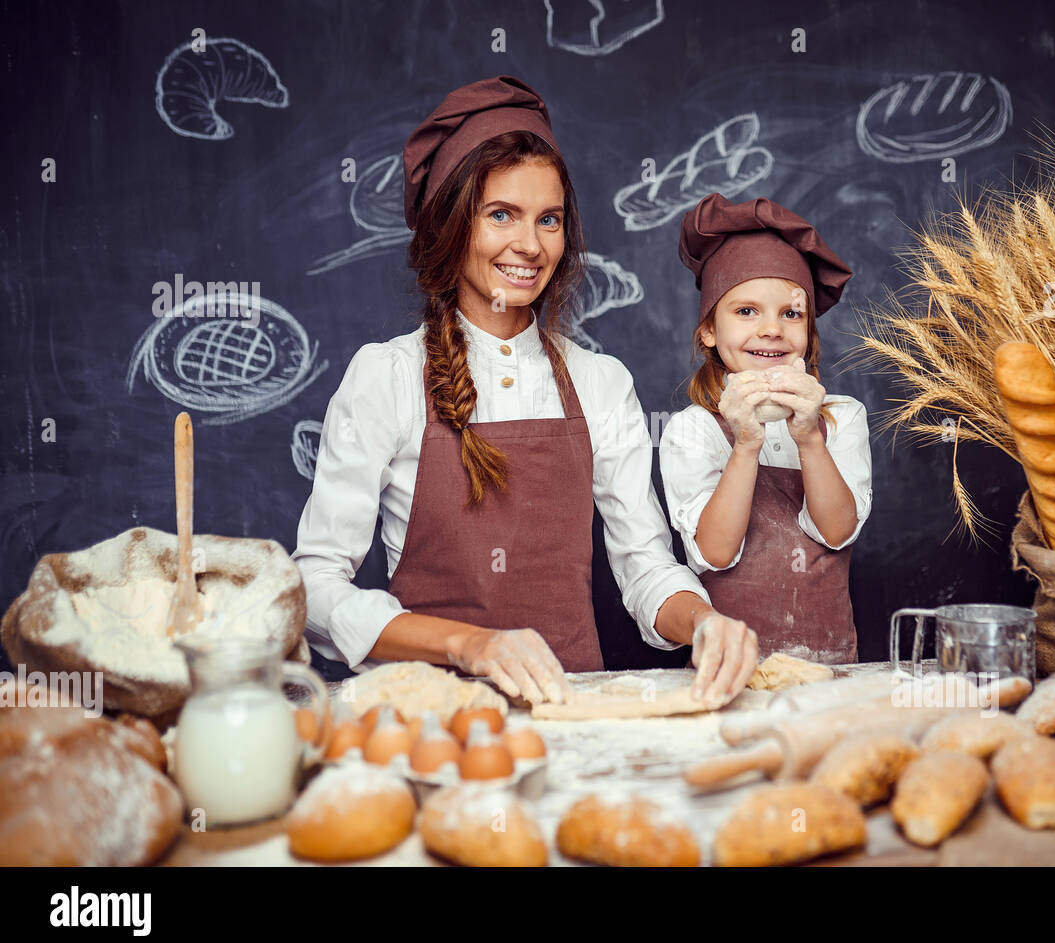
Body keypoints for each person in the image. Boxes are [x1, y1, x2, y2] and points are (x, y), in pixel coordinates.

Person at [291, 77, 758, 706]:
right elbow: (315, 586)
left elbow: (644, 565)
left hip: (570, 717)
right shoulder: (389, 377)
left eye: (549, 220)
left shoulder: (600, 382)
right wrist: (469, 645)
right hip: (430, 721)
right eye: (501, 215)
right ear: (452, 227)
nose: (530, 246)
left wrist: (702, 623)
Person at [658, 193, 872, 663]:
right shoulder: (691, 431)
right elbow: (715, 552)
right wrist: (746, 445)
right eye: (746, 311)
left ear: (809, 333)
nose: (772, 329)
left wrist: (810, 437)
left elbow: (836, 532)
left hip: (831, 671)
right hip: (730, 670)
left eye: (791, 313)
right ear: (709, 332)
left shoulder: (844, 416)